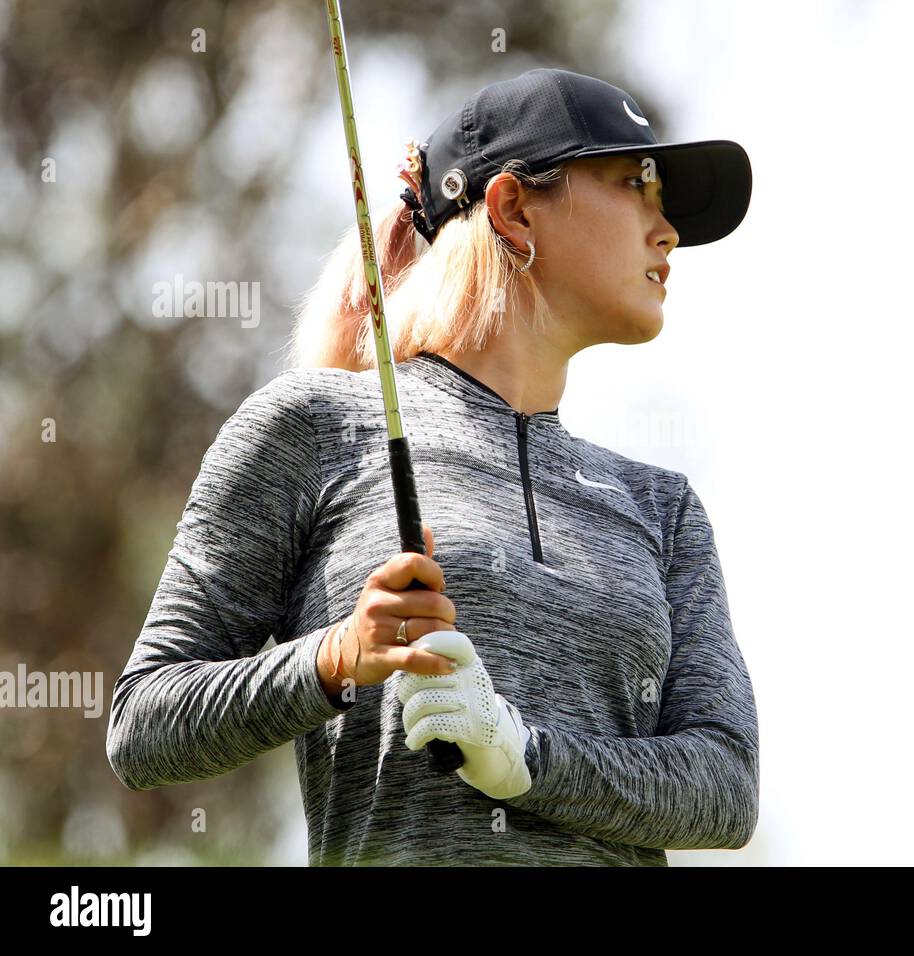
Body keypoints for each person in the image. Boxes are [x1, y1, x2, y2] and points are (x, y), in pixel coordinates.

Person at [106, 68, 758, 866]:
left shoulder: (662, 507)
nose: (667, 231)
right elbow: (144, 724)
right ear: (514, 208)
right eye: (635, 185)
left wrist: (525, 758)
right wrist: (335, 659)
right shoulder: (314, 427)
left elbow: (726, 787)